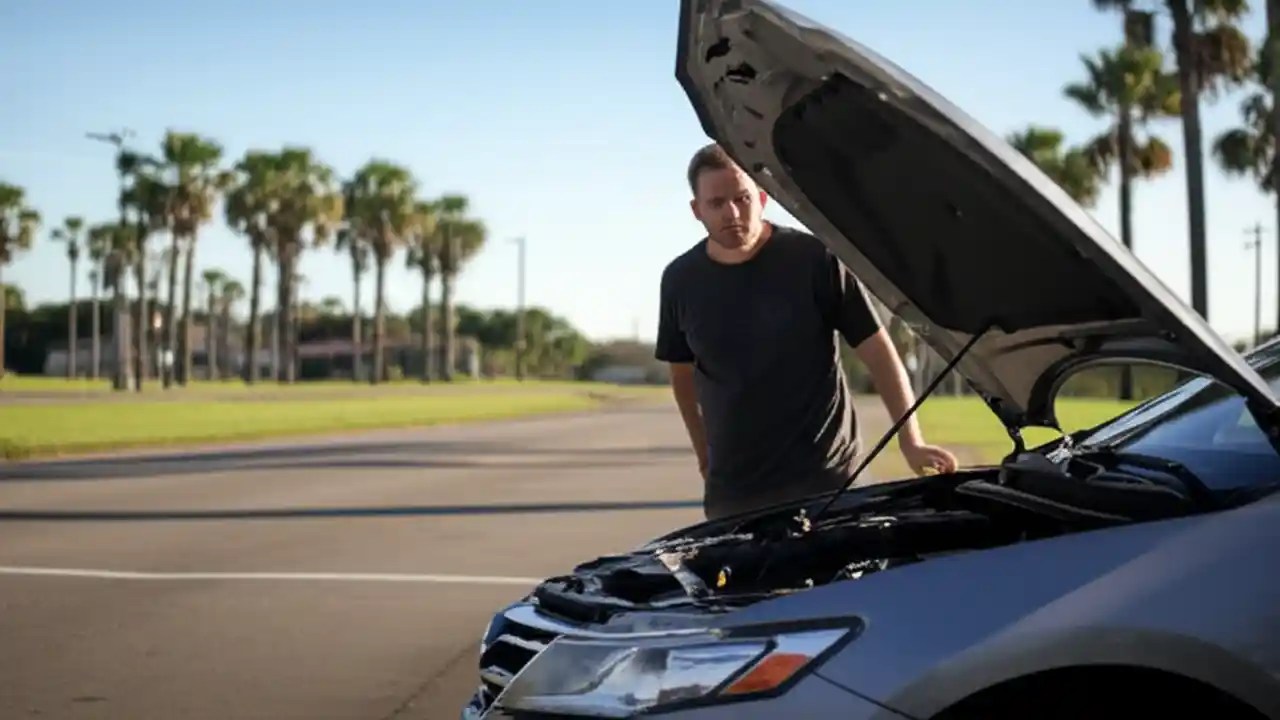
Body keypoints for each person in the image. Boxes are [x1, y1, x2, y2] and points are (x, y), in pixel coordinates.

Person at [656, 143, 958, 521]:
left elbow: (878, 351)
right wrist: (704, 455)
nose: (732, 213)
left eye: (743, 198)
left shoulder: (814, 258)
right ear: (696, 210)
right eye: (717, 203)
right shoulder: (680, 280)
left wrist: (911, 440)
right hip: (734, 489)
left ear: (762, 199)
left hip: (829, 481)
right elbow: (682, 377)